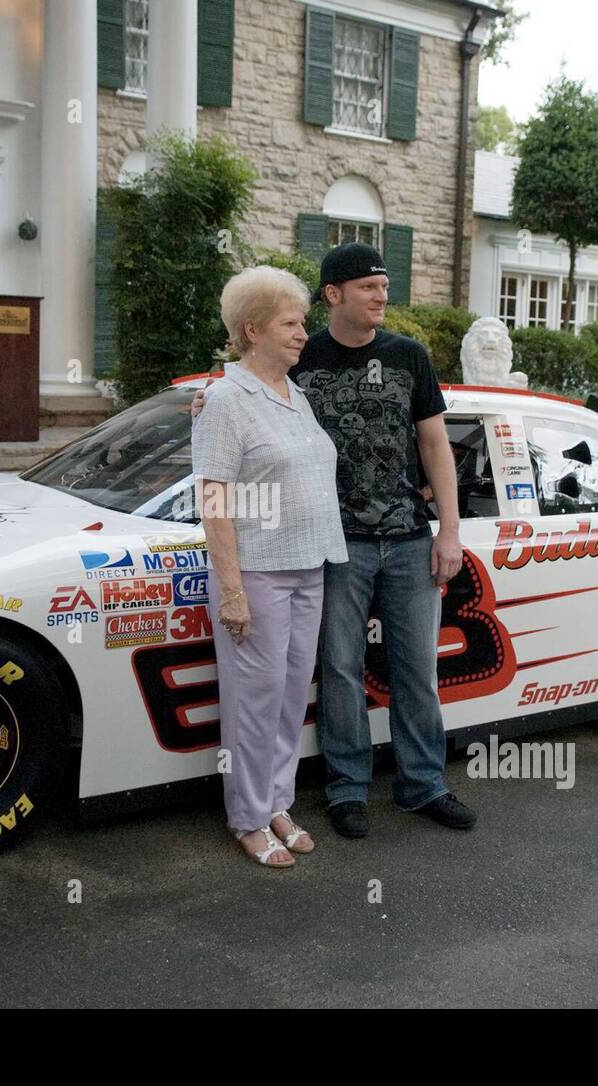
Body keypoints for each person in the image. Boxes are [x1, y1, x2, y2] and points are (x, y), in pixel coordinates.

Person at [193, 243, 476, 838]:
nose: (382, 296)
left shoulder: (408, 357)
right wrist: (204, 398)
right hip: (330, 547)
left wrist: (450, 530)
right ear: (334, 294)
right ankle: (346, 790)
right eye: (370, 286)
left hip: (402, 538)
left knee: (414, 668)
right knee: (337, 670)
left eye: (384, 286)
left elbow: (434, 446)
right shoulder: (300, 359)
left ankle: (423, 784)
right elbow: (244, 398)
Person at [192, 265, 347, 868]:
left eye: (303, 322)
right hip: (255, 573)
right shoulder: (226, 399)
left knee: (286, 700)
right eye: (291, 323)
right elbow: (215, 500)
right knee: (253, 702)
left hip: (309, 567)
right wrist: (231, 590)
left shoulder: (296, 396)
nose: (303, 333)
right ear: (252, 330)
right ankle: (249, 817)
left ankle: (278, 801)